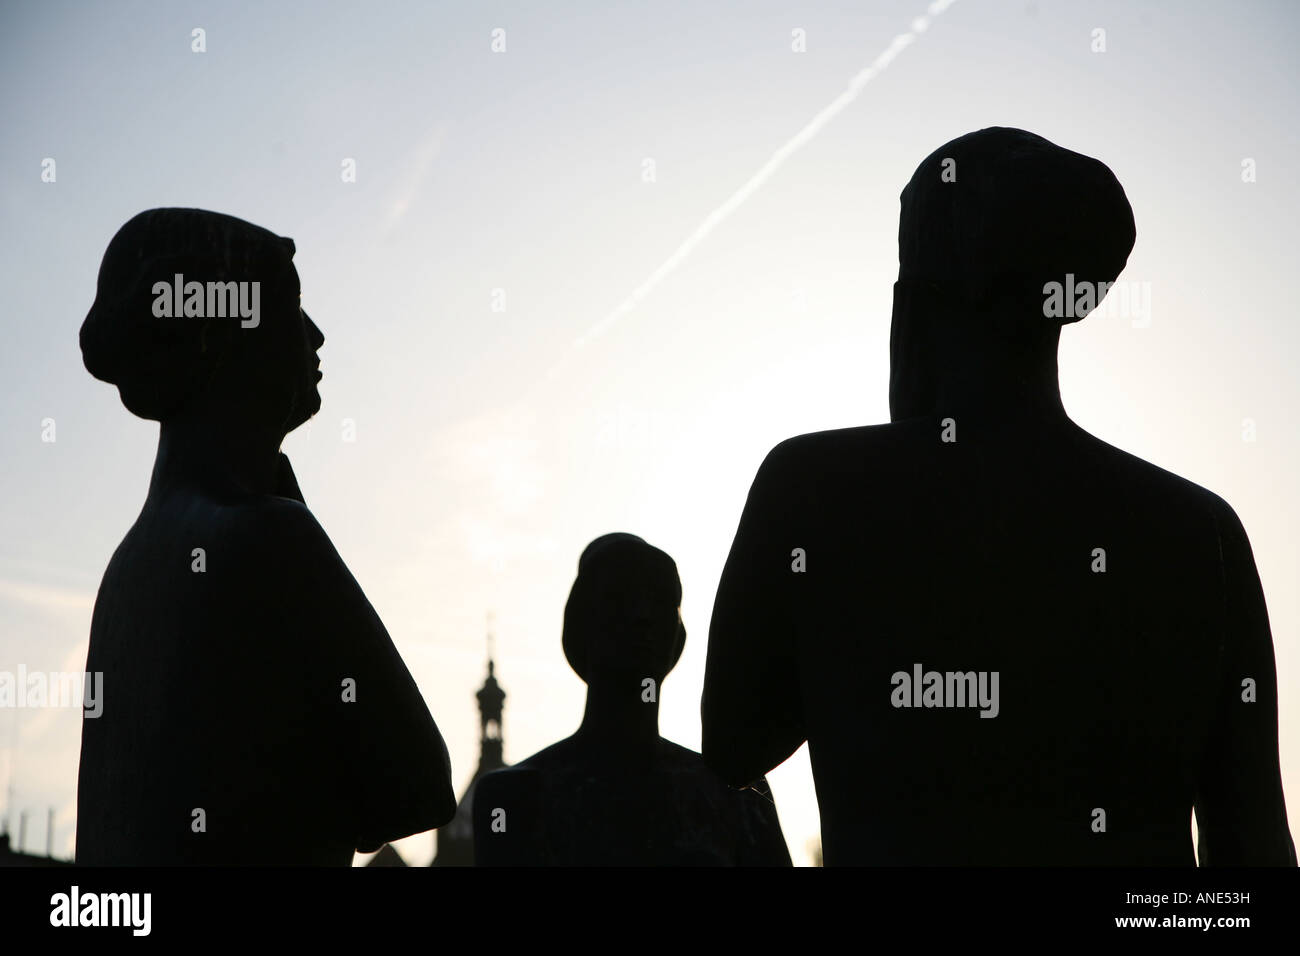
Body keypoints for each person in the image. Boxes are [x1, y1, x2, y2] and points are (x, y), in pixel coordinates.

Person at [702, 128, 1296, 866]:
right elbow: (1255, 849)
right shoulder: (1201, 530)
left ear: (912, 303)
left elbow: (730, 747)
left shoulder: (811, 488)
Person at [76, 208, 456, 864]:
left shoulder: (128, 566)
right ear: (221, 334)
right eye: (291, 305)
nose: (316, 334)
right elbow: (420, 789)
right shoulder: (268, 537)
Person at [474, 533, 791, 865]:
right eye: (619, 598)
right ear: (582, 625)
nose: (642, 615)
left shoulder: (740, 796)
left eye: (661, 600)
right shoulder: (515, 796)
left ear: (677, 636)